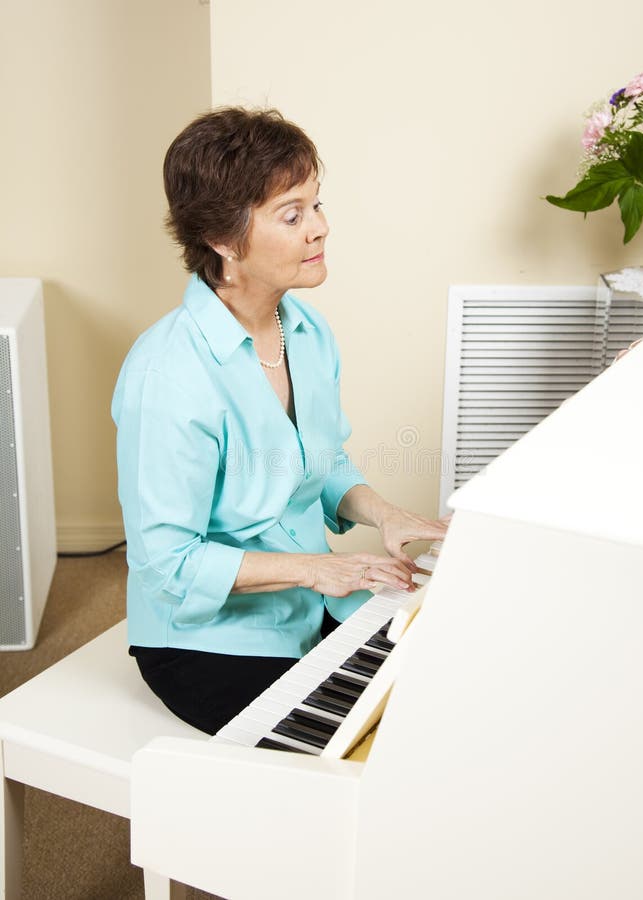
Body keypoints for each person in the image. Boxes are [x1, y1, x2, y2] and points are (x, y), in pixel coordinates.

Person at [112, 107, 448, 735]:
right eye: (292, 216)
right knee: (380, 743)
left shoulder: (308, 332)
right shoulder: (168, 375)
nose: (320, 229)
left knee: (443, 686)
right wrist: (321, 569)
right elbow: (166, 563)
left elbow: (316, 464)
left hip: (305, 604)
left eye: (317, 206)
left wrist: (384, 513)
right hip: (205, 642)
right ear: (221, 239)